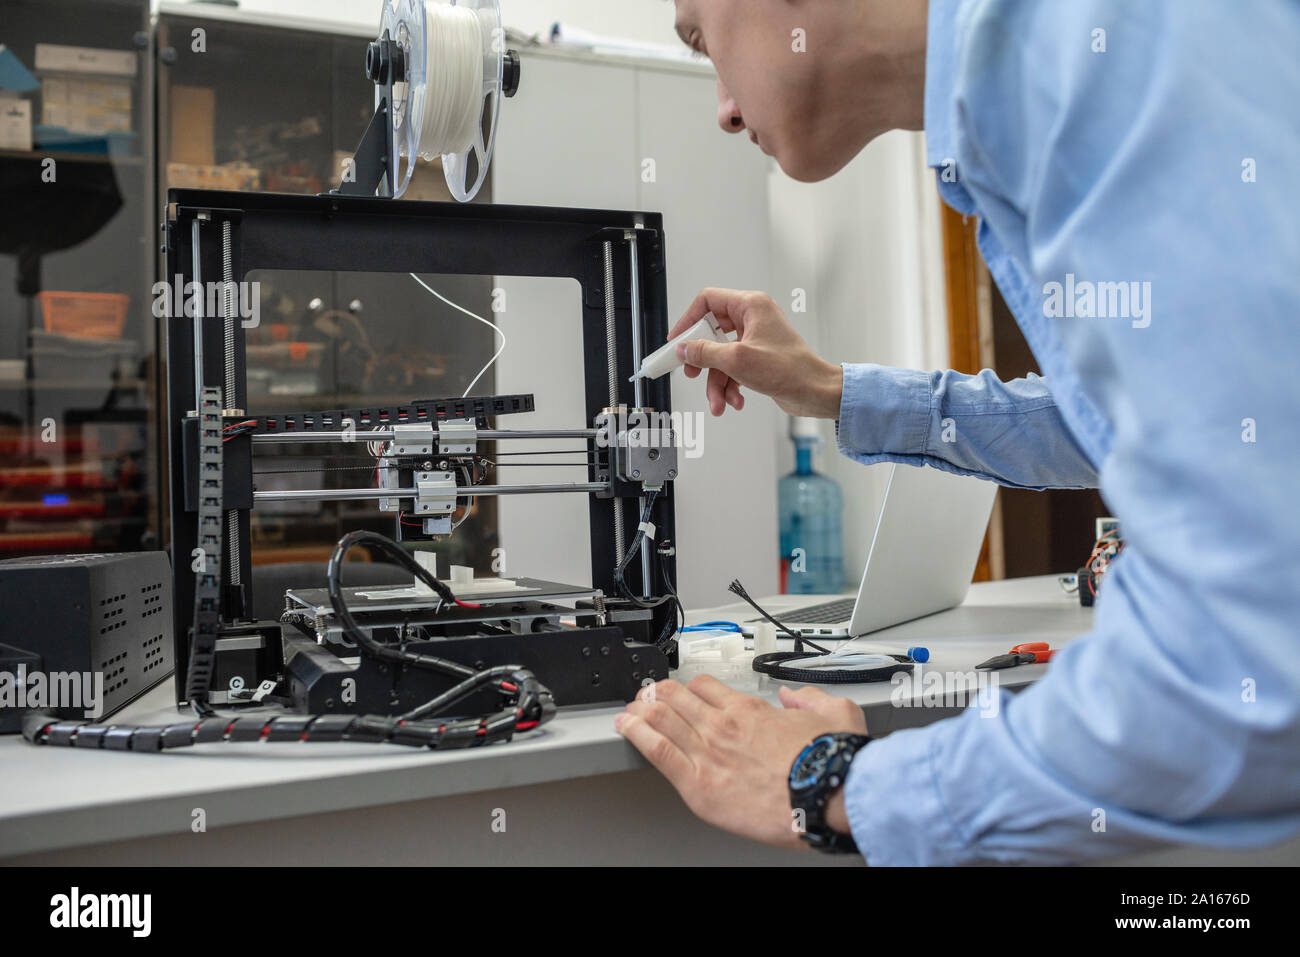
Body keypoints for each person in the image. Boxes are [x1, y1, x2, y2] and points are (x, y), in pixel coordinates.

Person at [614, 0, 1300, 864]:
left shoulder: (1113, 58)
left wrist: (838, 785)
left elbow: (1239, 670)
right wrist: (830, 389)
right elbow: (1115, 423)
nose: (723, 106)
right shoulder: (1054, 81)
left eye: (700, 38)